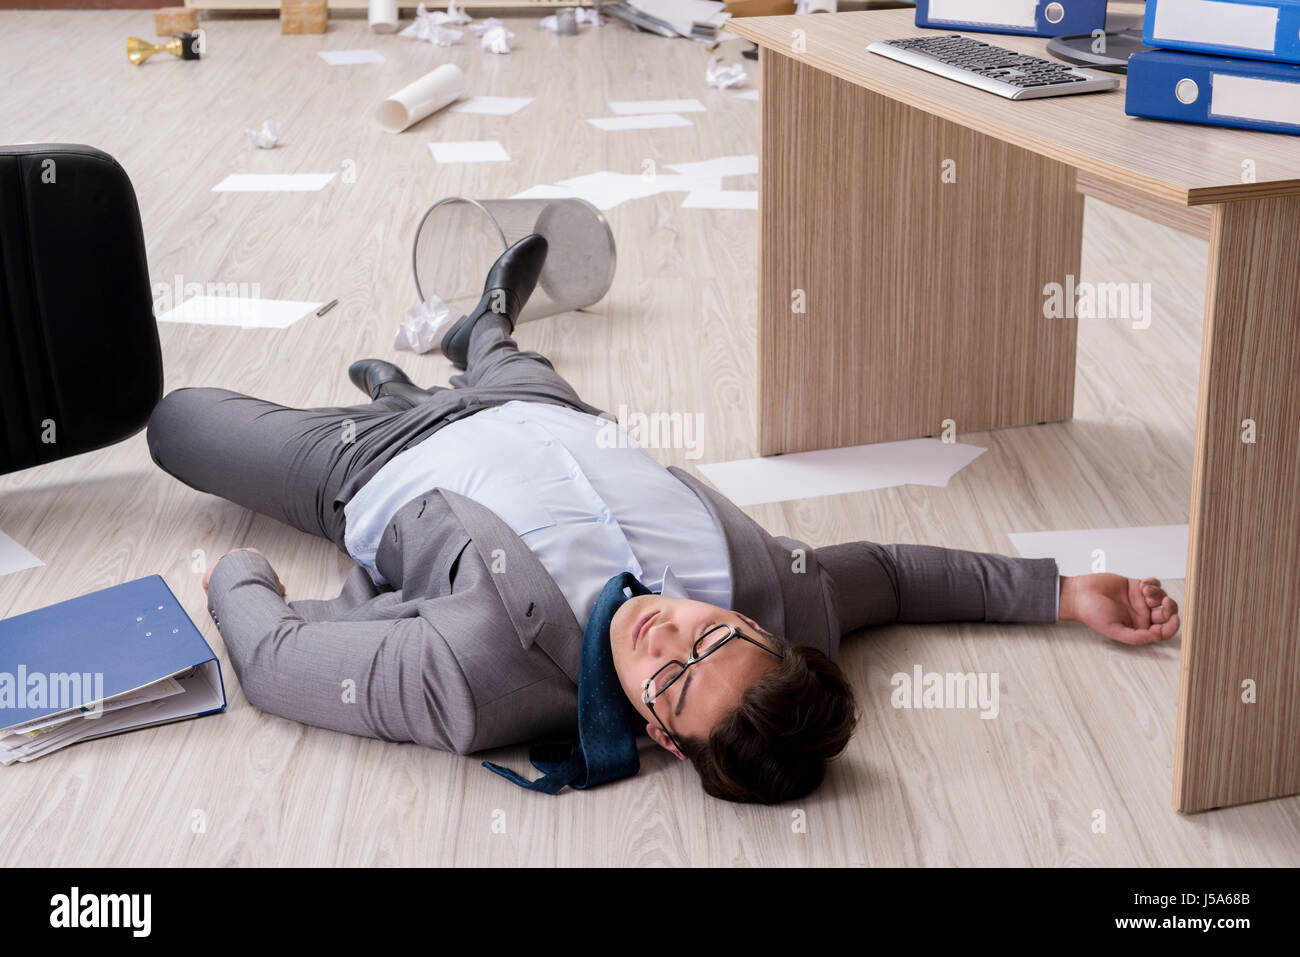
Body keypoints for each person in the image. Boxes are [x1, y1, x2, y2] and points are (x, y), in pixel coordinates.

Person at [146, 236, 1181, 803]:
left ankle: (392, 395)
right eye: (713, 636)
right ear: (764, 633)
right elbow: (899, 575)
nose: (667, 638)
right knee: (509, 357)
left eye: (673, 686)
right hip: (541, 409)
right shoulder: (787, 596)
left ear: (663, 740)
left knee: (178, 422)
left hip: (367, 466)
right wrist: (1056, 588)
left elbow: (280, 666)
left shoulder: (479, 684)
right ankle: (483, 325)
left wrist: (238, 579)